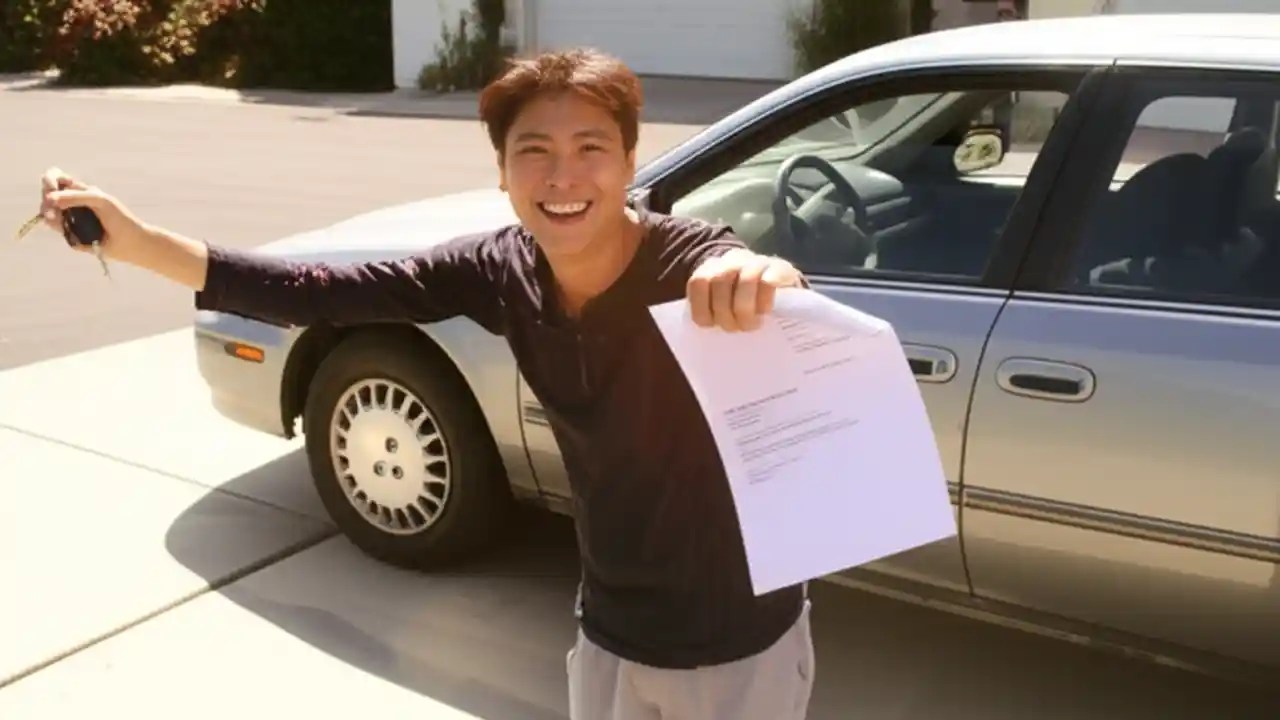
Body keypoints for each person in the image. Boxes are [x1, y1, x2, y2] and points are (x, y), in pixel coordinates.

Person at [38, 48, 815, 719]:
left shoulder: (688, 260)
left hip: (738, 644)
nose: (564, 176)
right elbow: (315, 290)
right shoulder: (499, 268)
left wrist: (764, 278)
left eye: (591, 147)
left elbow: (762, 282)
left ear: (630, 162)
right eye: (534, 151)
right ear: (503, 172)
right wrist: (136, 243)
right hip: (610, 625)